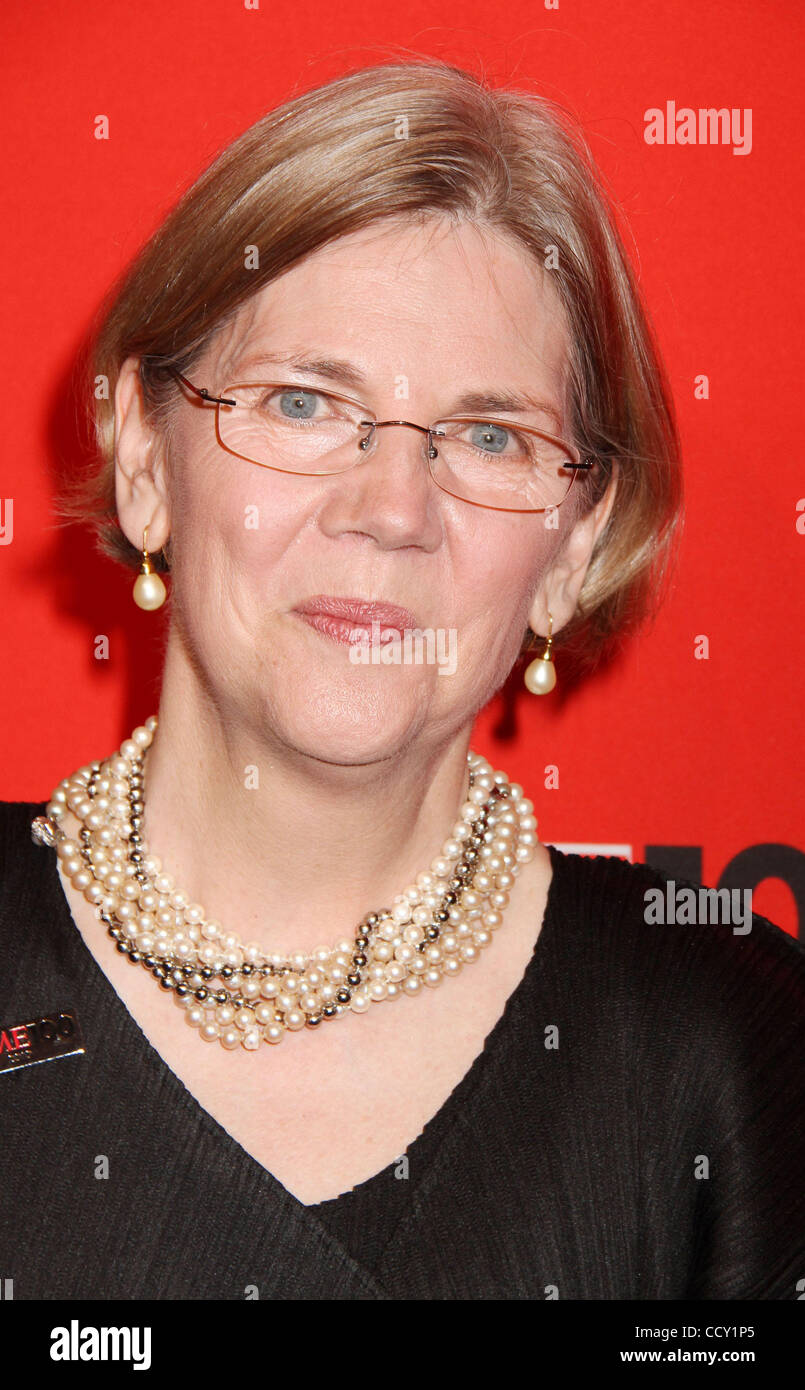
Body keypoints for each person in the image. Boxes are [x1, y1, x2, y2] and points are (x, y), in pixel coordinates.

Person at [1, 59, 803, 1301]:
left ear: (570, 549)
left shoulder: (729, 1049)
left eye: (491, 437)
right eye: (306, 402)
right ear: (145, 457)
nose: (391, 509)